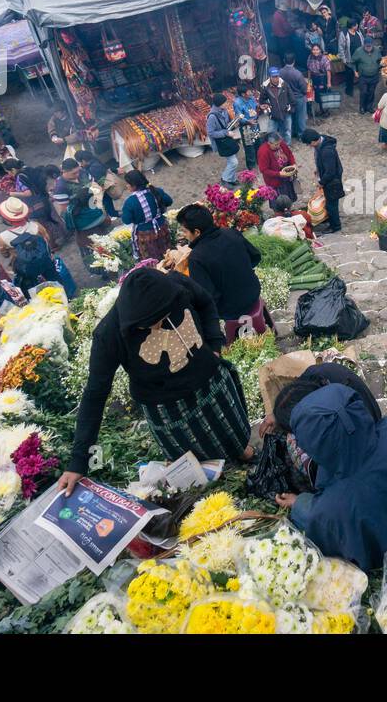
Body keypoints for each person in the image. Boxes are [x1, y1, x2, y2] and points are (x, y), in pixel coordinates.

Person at [56, 268, 253, 495]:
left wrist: (214, 345)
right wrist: (78, 462)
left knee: (233, 431)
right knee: (198, 471)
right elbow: (95, 394)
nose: (157, 326)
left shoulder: (176, 286)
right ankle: (222, 491)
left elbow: (206, 303)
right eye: (149, 325)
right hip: (168, 410)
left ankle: (243, 451)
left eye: (161, 319)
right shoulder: (109, 335)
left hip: (211, 383)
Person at [273, 383, 387, 571]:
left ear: (315, 446)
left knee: (302, 510)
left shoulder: (330, 508)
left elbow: (328, 535)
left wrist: (298, 501)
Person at [177, 204, 267, 343]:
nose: (184, 235)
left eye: (185, 231)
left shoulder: (196, 257)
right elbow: (255, 257)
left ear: (197, 232)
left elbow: (207, 297)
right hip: (253, 292)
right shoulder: (231, 233)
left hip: (231, 309)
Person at [0, 197, 75, 296]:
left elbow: (5, 254)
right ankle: (65, 297)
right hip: (45, 262)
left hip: (24, 269)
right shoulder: (36, 226)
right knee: (55, 281)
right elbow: (46, 239)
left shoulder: (3, 237)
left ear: (7, 218)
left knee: (34, 291)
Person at [6, 158, 63, 248]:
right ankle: (65, 235)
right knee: (51, 218)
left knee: (44, 224)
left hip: (35, 204)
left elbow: (27, 193)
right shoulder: (27, 169)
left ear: (13, 169)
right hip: (43, 199)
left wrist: (13, 193)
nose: (9, 174)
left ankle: (53, 245)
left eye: (8, 172)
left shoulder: (19, 177)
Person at [120, 170, 174, 262]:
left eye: (127, 184)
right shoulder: (157, 191)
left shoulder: (130, 202)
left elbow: (126, 220)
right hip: (162, 227)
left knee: (152, 258)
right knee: (167, 252)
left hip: (145, 234)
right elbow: (169, 201)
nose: (126, 186)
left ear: (134, 185)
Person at [301, 128, 345, 234]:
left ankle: (335, 226)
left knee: (331, 204)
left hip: (332, 181)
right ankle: (331, 221)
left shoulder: (327, 151)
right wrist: (319, 169)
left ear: (314, 141)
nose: (309, 146)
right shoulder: (321, 143)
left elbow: (330, 171)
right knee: (329, 202)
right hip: (328, 179)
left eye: (309, 144)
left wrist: (321, 182)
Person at [52, 158, 107, 236]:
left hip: (97, 210)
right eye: (74, 173)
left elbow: (95, 185)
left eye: (78, 171)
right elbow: (65, 211)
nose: (77, 174)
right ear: (64, 171)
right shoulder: (60, 188)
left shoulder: (83, 172)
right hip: (83, 221)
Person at [75, 149, 119, 220]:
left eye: (79, 162)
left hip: (102, 187)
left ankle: (113, 214)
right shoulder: (94, 161)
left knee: (106, 201)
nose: (80, 164)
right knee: (107, 201)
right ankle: (112, 214)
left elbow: (99, 180)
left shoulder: (93, 168)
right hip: (104, 186)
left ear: (83, 160)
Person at [257, 131, 298, 201]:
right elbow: (264, 170)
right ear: (269, 143)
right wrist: (278, 174)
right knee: (279, 202)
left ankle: (289, 209)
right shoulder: (263, 151)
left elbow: (289, 154)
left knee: (289, 198)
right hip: (275, 181)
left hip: (287, 176)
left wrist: (293, 164)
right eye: (276, 145)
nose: (278, 146)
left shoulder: (280, 143)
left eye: (279, 143)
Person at [233, 82, 263, 169]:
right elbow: (239, 117)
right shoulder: (237, 103)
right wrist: (248, 121)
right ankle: (251, 167)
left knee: (258, 143)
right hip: (246, 127)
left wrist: (260, 107)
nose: (251, 92)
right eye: (249, 91)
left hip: (255, 125)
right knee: (249, 146)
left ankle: (259, 161)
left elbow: (256, 106)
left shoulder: (251, 98)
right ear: (243, 94)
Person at [260, 68, 294, 142]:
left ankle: (286, 146)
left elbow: (291, 97)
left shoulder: (284, 84)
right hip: (273, 114)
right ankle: (270, 148)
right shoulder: (265, 87)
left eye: (277, 76)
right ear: (270, 77)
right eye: (274, 77)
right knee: (271, 132)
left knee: (287, 131)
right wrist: (267, 106)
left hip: (285, 112)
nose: (276, 79)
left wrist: (291, 108)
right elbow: (262, 100)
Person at [351, 36, 382, 114]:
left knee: (371, 92)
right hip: (363, 76)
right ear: (363, 45)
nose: (368, 48)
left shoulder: (377, 50)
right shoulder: (358, 51)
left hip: (374, 75)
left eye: (370, 46)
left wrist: (381, 66)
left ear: (372, 45)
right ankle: (362, 107)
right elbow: (352, 62)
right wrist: (355, 71)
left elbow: (380, 60)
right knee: (364, 92)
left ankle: (369, 107)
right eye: (366, 46)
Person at [280, 58, 310, 138]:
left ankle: (292, 133)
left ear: (284, 61)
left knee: (290, 116)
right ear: (294, 61)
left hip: (286, 98)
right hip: (298, 97)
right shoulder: (297, 73)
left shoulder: (280, 72)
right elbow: (304, 88)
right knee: (301, 116)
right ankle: (301, 135)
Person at [338, 18, 364, 98]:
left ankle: (361, 89)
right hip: (349, 59)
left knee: (360, 73)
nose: (357, 25)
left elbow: (362, 42)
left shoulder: (358, 33)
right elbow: (341, 47)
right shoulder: (344, 34)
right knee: (349, 76)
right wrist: (344, 59)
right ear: (353, 26)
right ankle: (349, 91)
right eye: (356, 24)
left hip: (359, 58)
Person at [306, 43, 333, 117]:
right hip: (314, 78)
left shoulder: (324, 58)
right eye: (314, 50)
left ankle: (325, 111)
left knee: (323, 95)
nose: (315, 51)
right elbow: (309, 70)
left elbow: (328, 71)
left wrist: (329, 82)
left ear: (320, 50)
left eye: (317, 50)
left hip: (322, 78)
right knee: (317, 95)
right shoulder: (310, 57)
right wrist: (309, 81)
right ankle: (321, 110)